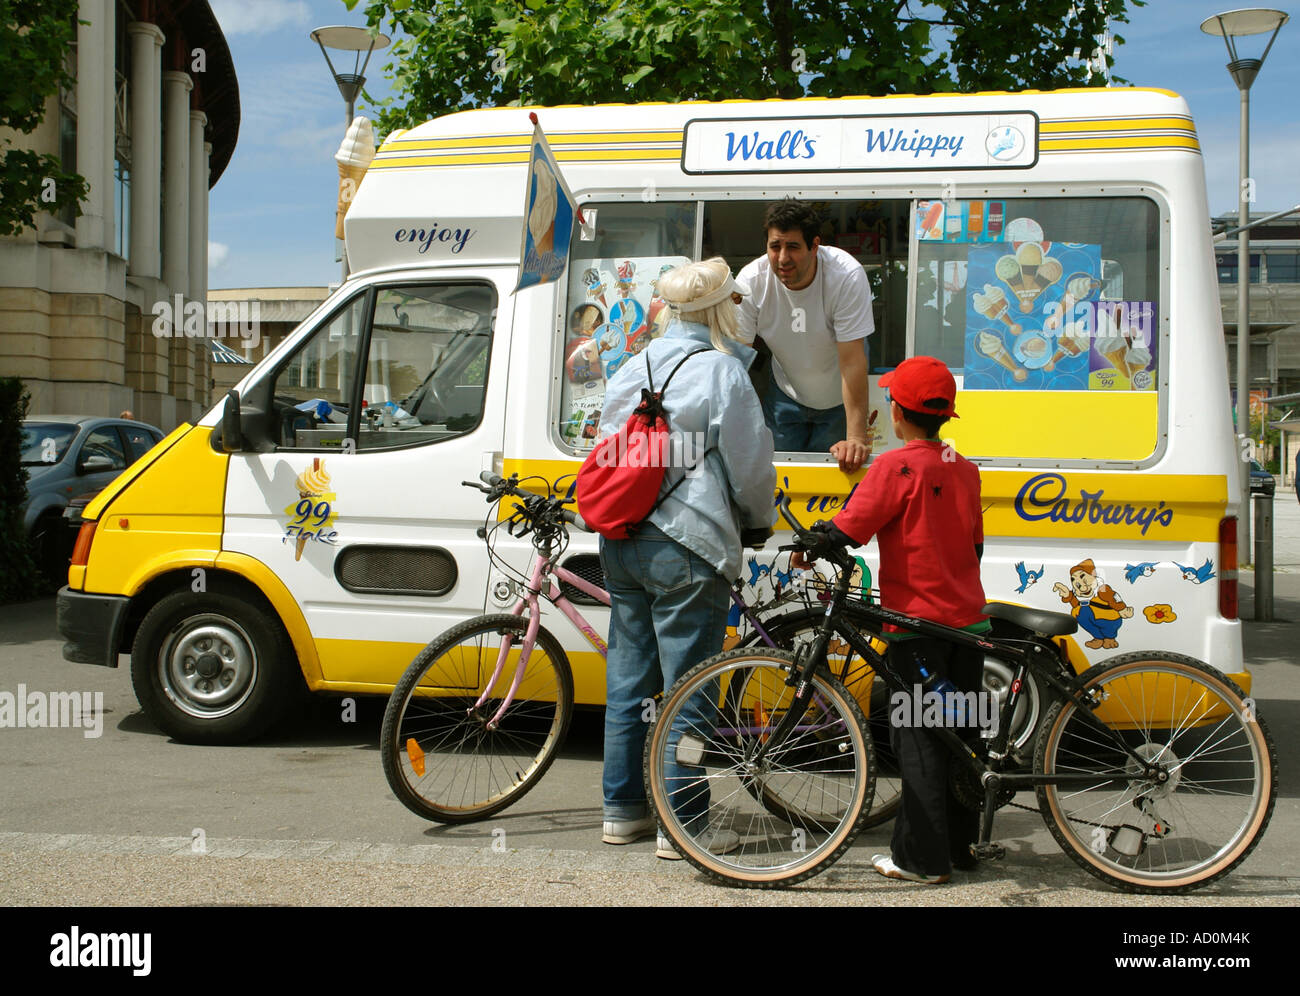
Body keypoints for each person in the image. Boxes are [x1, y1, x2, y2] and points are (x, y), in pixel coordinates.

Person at [596, 257, 776, 858]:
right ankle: (683, 825)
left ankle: (622, 811)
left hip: (622, 542)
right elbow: (749, 463)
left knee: (628, 681)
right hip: (688, 545)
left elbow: (606, 451)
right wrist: (756, 521)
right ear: (721, 308)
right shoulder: (723, 372)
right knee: (689, 689)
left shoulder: (629, 368)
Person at [793, 355, 987, 883]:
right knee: (961, 734)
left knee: (919, 739)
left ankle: (920, 860)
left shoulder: (895, 466)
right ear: (946, 415)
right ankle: (962, 847)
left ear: (897, 413)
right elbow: (976, 544)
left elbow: (852, 527)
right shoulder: (963, 468)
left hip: (917, 628)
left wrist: (818, 540)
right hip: (969, 625)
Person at [737, 199, 875, 472]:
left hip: (840, 403)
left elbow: (852, 362)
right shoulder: (750, 281)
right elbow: (735, 362)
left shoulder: (846, 275)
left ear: (815, 246)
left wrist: (856, 438)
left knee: (829, 485)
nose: (783, 258)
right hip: (784, 396)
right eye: (775, 247)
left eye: (793, 247)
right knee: (776, 480)